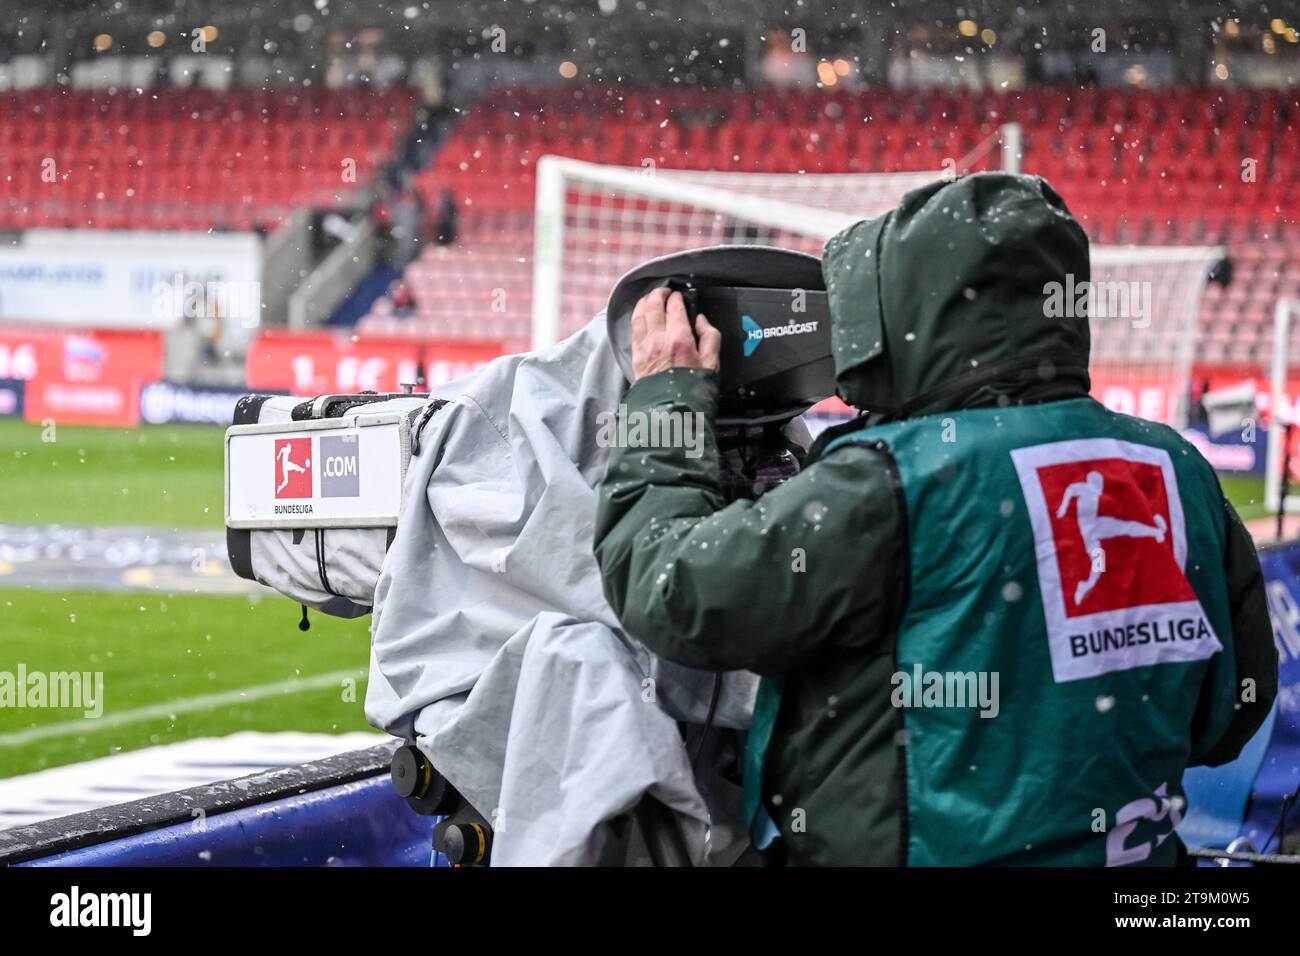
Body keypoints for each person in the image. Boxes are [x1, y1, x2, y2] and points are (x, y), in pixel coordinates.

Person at [593, 172, 1278, 866]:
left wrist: (667, 397)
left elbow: (671, 587)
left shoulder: (893, 479)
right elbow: (1231, 718)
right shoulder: (1175, 466)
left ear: (900, 318)